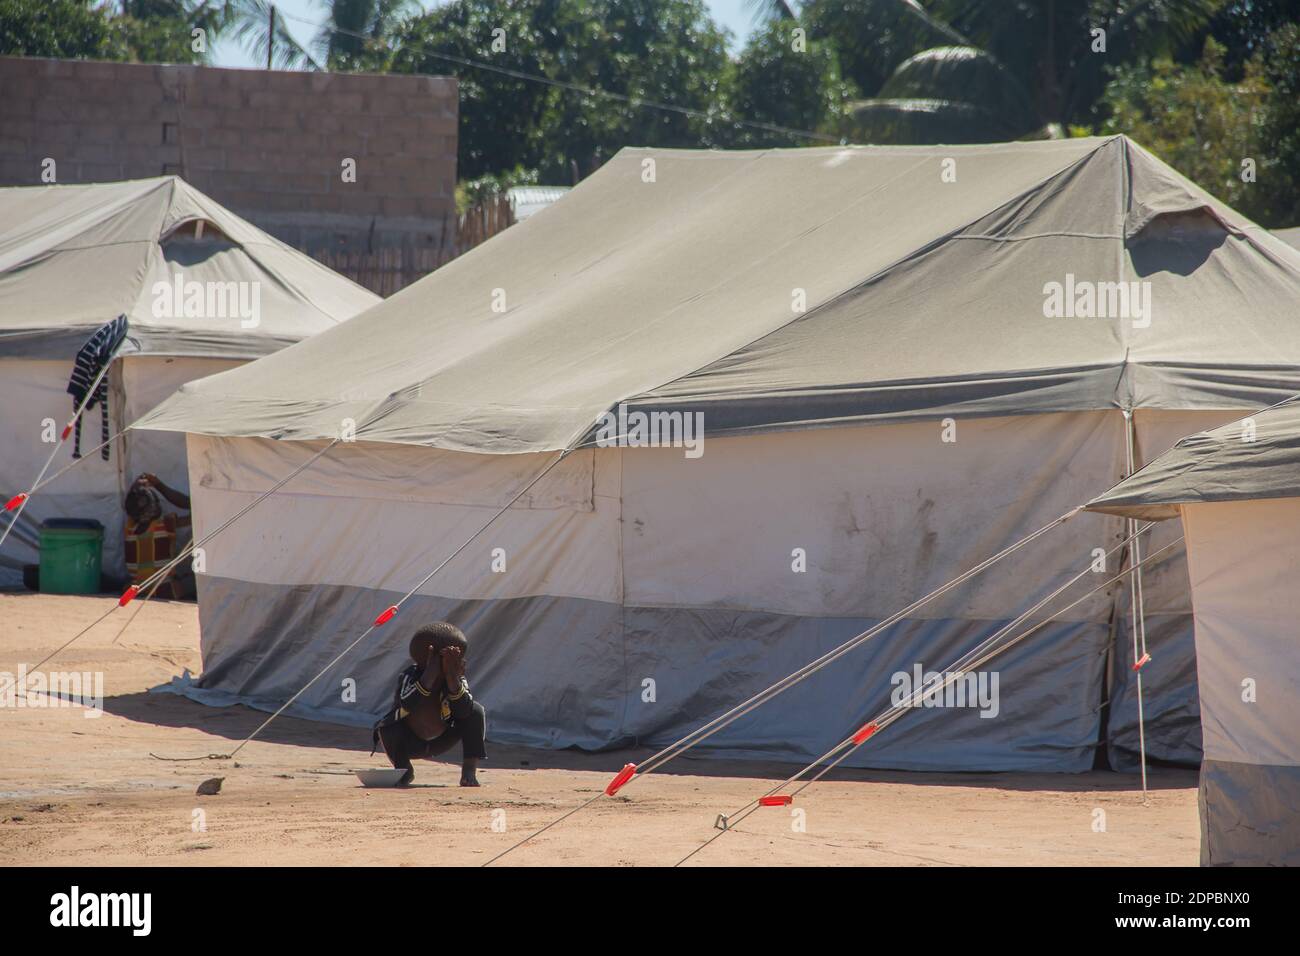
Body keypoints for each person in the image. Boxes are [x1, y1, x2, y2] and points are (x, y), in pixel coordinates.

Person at [373, 621, 487, 787]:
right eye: (448, 658)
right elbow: (406, 704)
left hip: (443, 739)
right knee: (386, 725)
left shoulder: (456, 677)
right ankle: (404, 769)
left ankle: (469, 771)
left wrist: (452, 678)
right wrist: (430, 675)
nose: (457, 661)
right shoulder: (410, 675)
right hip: (411, 742)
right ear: (430, 658)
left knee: (476, 710)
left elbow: (464, 711)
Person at [123, 473, 194, 600]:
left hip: (137, 590)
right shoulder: (165, 525)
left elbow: (132, 502)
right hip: (165, 590)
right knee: (182, 585)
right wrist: (159, 485)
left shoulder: (129, 529)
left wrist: (137, 485)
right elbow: (192, 506)